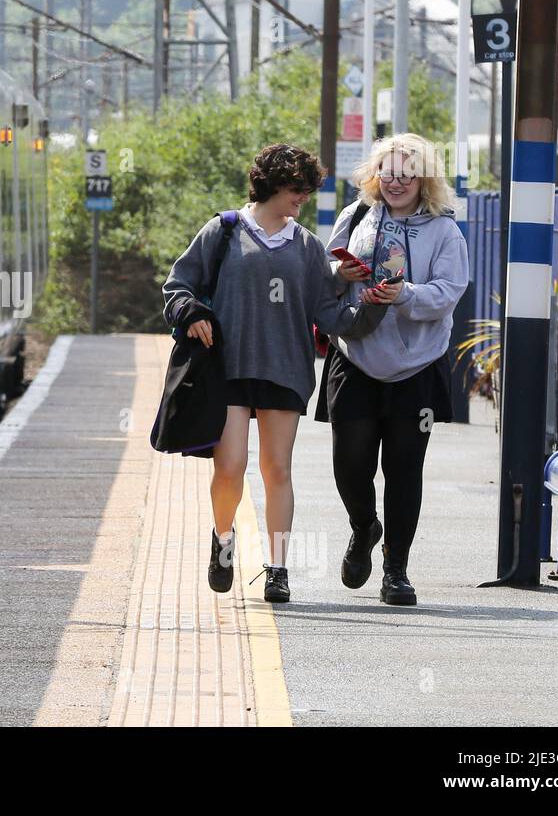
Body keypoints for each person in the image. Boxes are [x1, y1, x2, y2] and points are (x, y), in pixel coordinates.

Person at [163, 143, 386, 603]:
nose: (301, 199)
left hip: (285, 369)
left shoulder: (304, 245)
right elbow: (178, 285)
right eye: (295, 190)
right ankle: (223, 540)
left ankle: (277, 569)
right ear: (271, 185)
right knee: (230, 466)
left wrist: (370, 305)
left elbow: (329, 312)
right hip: (226, 368)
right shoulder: (222, 231)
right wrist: (191, 313)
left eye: (306, 192)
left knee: (276, 469)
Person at [318, 133, 469, 606]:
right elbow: (322, 274)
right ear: (374, 175)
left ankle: (396, 570)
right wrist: (339, 273)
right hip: (356, 356)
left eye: (407, 173)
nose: (396, 181)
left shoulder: (445, 231)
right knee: (351, 463)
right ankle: (364, 527)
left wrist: (405, 295)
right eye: (388, 171)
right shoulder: (355, 216)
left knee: (405, 469)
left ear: (425, 178)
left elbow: (450, 291)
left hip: (417, 367)